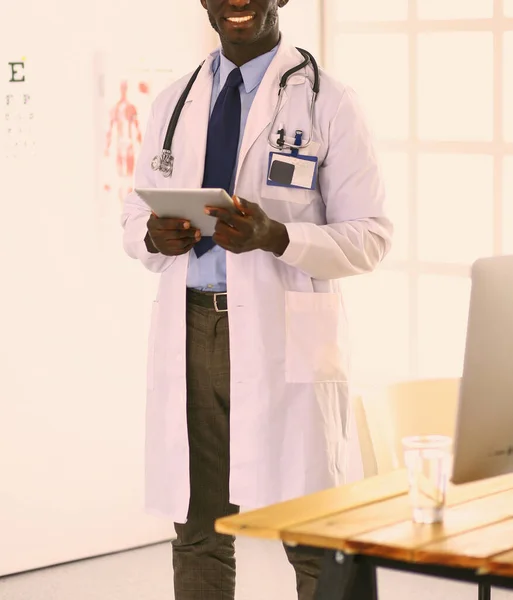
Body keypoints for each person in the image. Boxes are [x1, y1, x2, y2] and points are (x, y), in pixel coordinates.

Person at [121, 0, 393, 598]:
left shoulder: (329, 102)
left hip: (284, 335)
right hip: (190, 332)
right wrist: (151, 233)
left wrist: (280, 236)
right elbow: (135, 213)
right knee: (199, 527)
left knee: (313, 531)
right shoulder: (174, 101)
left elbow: (371, 237)